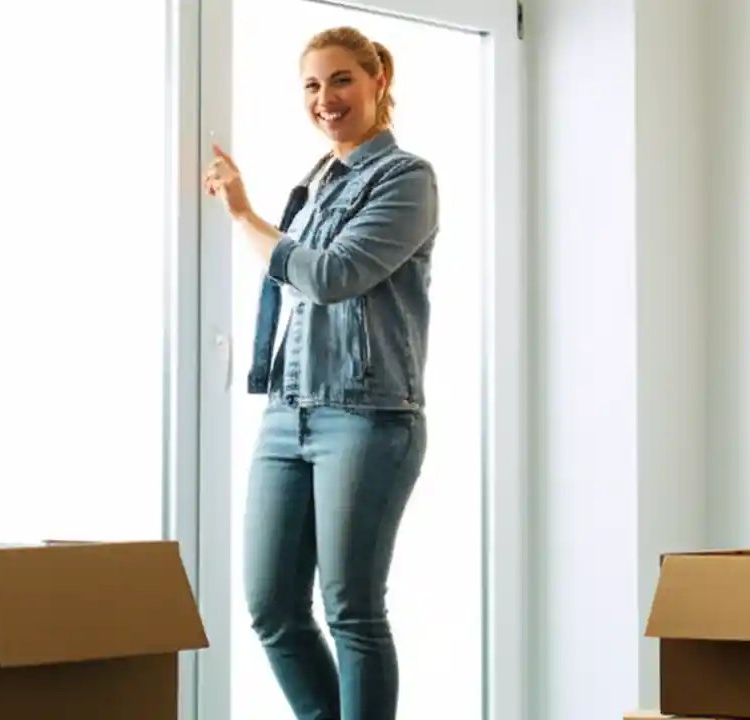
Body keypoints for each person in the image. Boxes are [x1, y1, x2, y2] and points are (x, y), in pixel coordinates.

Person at [202, 25, 437, 720]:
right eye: (311, 85)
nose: (325, 99)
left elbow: (334, 277)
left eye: (341, 80)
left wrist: (242, 214)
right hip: (288, 412)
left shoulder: (407, 178)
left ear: (376, 83)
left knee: (353, 611)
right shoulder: (314, 183)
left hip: (368, 416)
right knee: (272, 606)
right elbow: (296, 282)